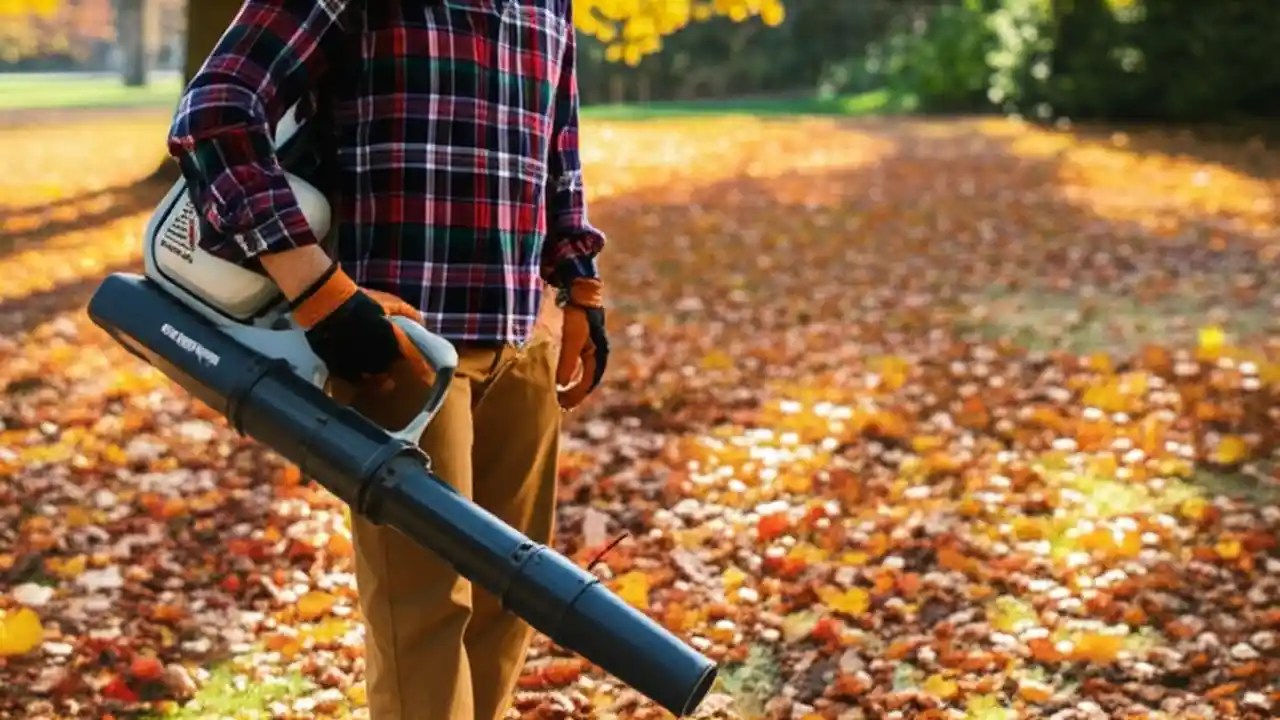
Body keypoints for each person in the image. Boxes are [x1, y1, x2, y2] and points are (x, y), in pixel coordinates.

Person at [166, 1, 609, 719]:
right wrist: (318, 292)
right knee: (423, 623)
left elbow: (558, 144)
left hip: (524, 339)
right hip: (402, 353)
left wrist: (579, 283)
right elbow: (217, 111)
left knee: (509, 602)